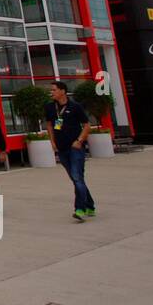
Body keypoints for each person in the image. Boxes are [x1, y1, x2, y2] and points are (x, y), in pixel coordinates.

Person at [45, 80, 95, 222]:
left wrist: (79, 141)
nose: (52, 92)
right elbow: (49, 125)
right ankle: (90, 205)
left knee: (77, 176)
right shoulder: (50, 107)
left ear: (62, 91)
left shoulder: (75, 107)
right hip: (61, 148)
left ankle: (79, 209)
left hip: (75, 148)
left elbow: (86, 125)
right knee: (76, 178)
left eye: (54, 90)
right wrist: (52, 141)